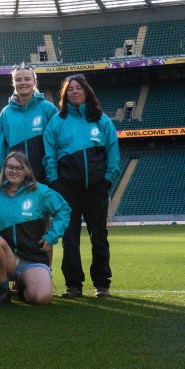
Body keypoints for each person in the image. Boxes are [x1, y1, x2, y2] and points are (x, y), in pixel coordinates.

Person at [44, 73, 121, 299]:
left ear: (87, 91)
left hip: (96, 187)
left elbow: (113, 153)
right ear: (64, 94)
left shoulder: (102, 120)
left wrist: (107, 180)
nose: (74, 91)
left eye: (78, 88)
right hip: (67, 189)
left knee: (99, 236)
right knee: (69, 238)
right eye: (70, 89)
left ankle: (102, 284)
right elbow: (49, 155)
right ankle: (73, 285)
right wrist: (55, 182)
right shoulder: (57, 121)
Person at [0, 151, 70, 305]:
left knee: (41, 298)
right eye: (10, 167)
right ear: (4, 169)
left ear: (26, 171)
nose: (13, 171)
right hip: (7, 258)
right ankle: (3, 290)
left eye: (19, 168)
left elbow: (63, 209)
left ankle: (24, 284)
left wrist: (51, 236)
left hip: (33, 257)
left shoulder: (40, 191)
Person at [0, 64, 57, 184]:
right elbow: (5, 147)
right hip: (17, 180)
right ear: (13, 83)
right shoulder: (6, 113)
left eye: (27, 79)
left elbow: (58, 142)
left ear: (34, 82)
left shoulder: (47, 108)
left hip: (46, 178)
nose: (23, 83)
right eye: (18, 80)